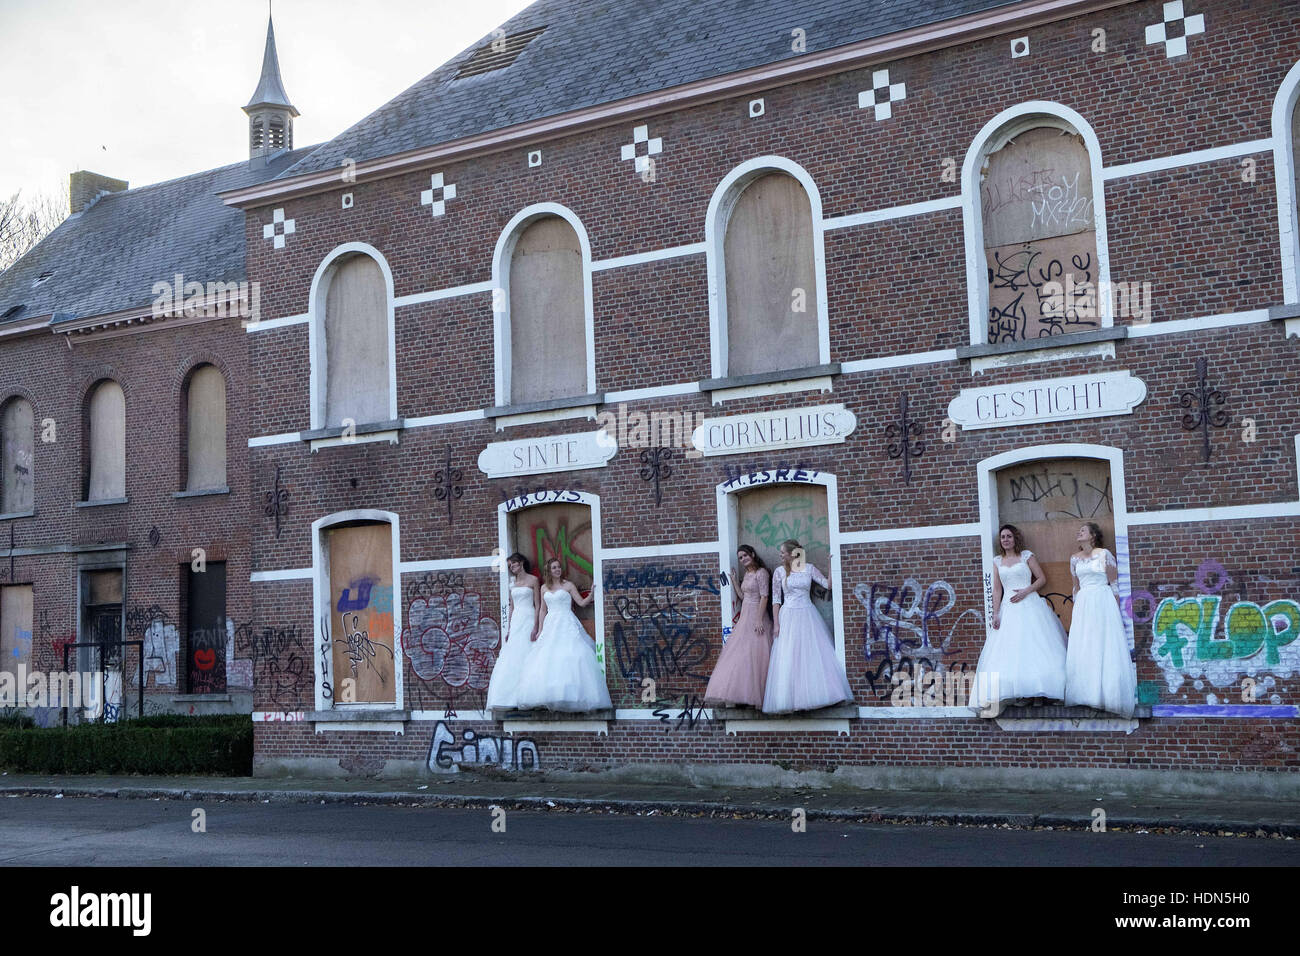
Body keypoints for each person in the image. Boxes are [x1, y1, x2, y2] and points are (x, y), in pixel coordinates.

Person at [968, 524, 1067, 716]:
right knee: (1014, 651)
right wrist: (995, 614)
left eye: (1009, 537)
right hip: (1009, 608)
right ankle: (1023, 694)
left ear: (1015, 539)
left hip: (1030, 604)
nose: (1006, 540)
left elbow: (1041, 579)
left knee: (1037, 647)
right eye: (1003, 537)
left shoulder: (1026, 556)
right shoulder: (997, 561)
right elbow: (997, 589)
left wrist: (1026, 591)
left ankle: (1041, 693)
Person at [762, 539, 853, 714]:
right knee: (789, 656)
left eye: (782, 553)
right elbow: (775, 600)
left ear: (791, 553)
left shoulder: (809, 568)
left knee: (811, 655)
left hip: (807, 615)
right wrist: (776, 624)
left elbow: (828, 585)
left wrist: (830, 564)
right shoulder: (780, 572)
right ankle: (789, 699)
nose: (780, 556)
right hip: (787, 615)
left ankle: (814, 695)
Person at [513, 558, 613, 712]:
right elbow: (542, 610)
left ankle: (572, 696)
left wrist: (592, 593)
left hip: (567, 622)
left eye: (559, 567)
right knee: (548, 659)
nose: (557, 569)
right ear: (549, 571)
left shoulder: (568, 585)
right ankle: (551, 695)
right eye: (554, 568)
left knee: (572, 656)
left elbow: (581, 603)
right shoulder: (544, 588)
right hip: (550, 624)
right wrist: (539, 630)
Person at [1064, 522, 1136, 717]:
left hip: (1103, 601)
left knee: (1104, 644)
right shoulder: (1074, 559)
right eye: (1078, 530)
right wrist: (1077, 608)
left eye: (1083, 530)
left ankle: (1108, 694)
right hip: (1084, 604)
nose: (1079, 532)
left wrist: (1117, 612)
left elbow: (1114, 584)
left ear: (1093, 535)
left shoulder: (1104, 554)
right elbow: (1075, 587)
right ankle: (1086, 694)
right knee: (1085, 645)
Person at [704, 546, 772, 708]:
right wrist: (735, 581)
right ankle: (741, 693)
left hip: (757, 615)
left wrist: (759, 619)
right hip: (745, 616)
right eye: (740, 558)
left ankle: (760, 695)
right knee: (742, 655)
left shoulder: (761, 573)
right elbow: (743, 597)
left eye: (745, 556)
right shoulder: (748, 574)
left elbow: (764, 596)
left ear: (753, 555)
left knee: (757, 654)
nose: (743, 559)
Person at [485, 553, 541, 711]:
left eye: (514, 564)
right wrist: (509, 628)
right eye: (510, 566)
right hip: (517, 620)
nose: (512, 567)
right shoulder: (512, 583)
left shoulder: (533, 580)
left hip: (529, 617)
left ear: (521, 562)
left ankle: (530, 694)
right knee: (513, 655)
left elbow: (537, 605)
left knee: (529, 653)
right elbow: (512, 606)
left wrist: (536, 626)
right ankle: (511, 697)